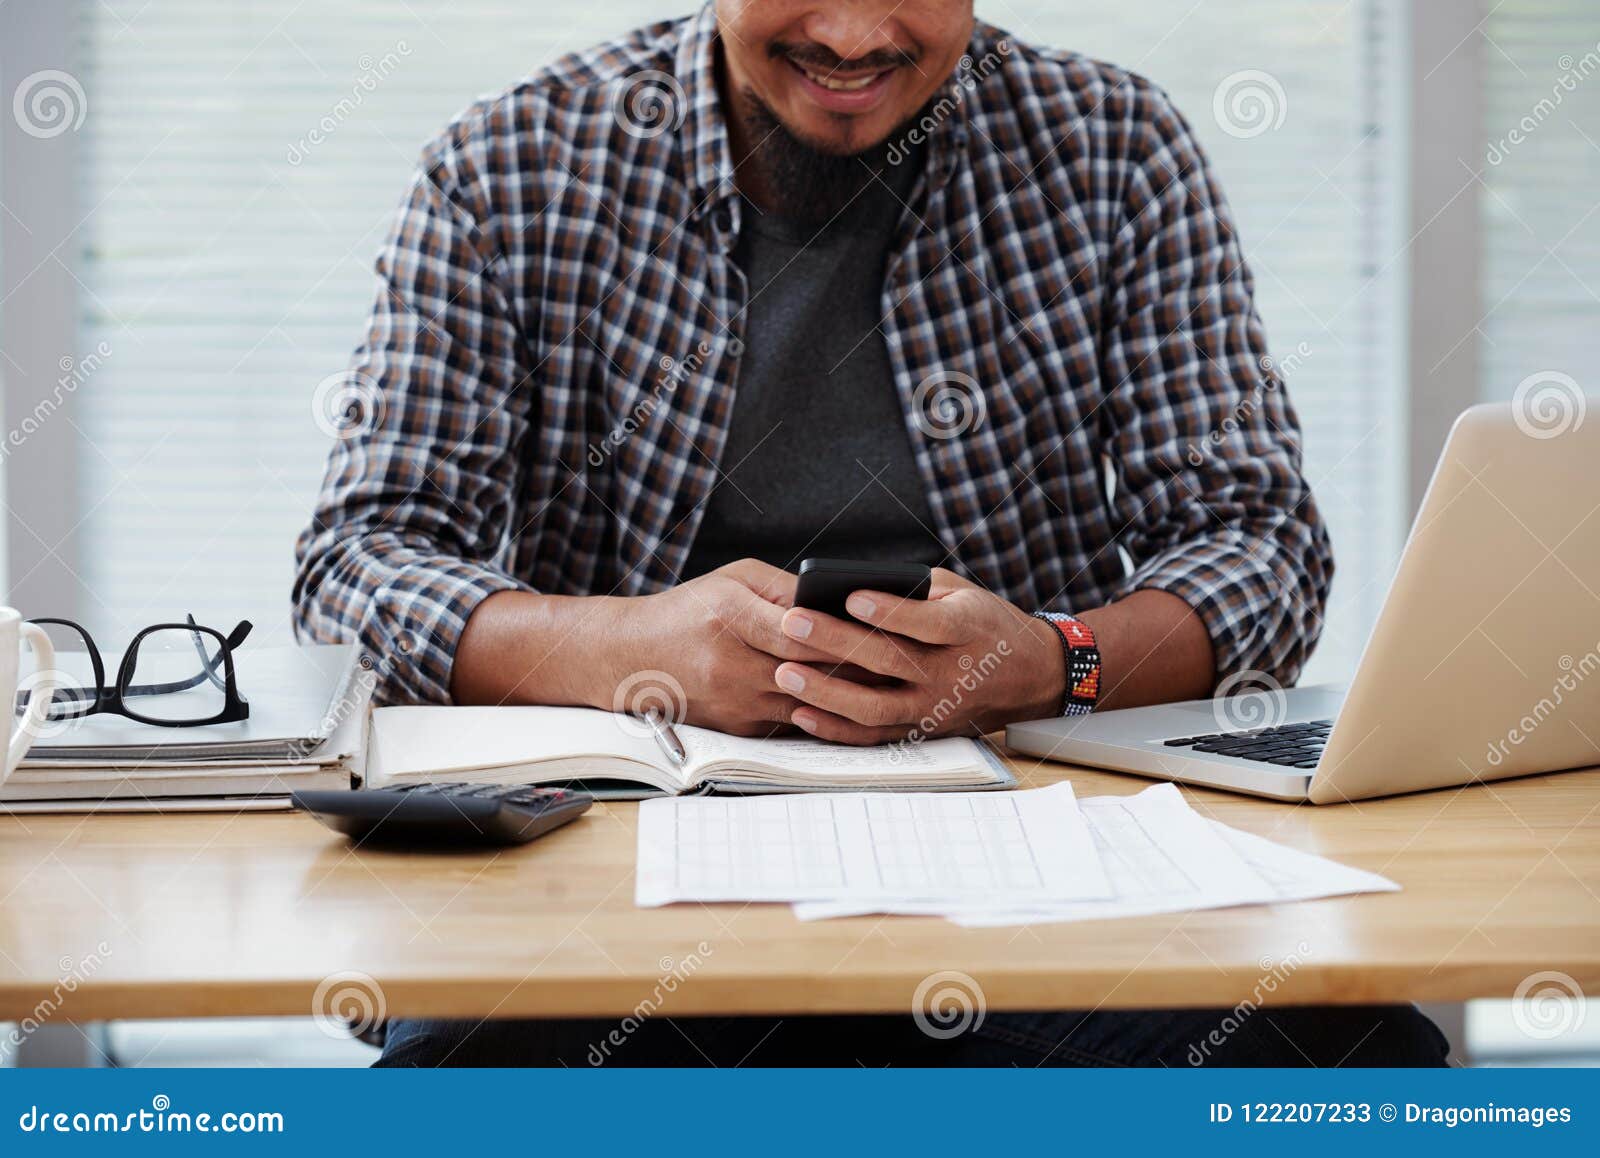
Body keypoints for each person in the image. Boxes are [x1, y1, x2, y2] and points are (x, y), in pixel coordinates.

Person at [292, 0, 1445, 1067]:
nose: (850, 35)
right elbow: (357, 561)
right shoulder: (513, 165)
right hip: (605, 861)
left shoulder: (1114, 148)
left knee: (1363, 1064)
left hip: (1029, 859)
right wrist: (631, 651)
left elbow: (1260, 547)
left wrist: (1050, 663)